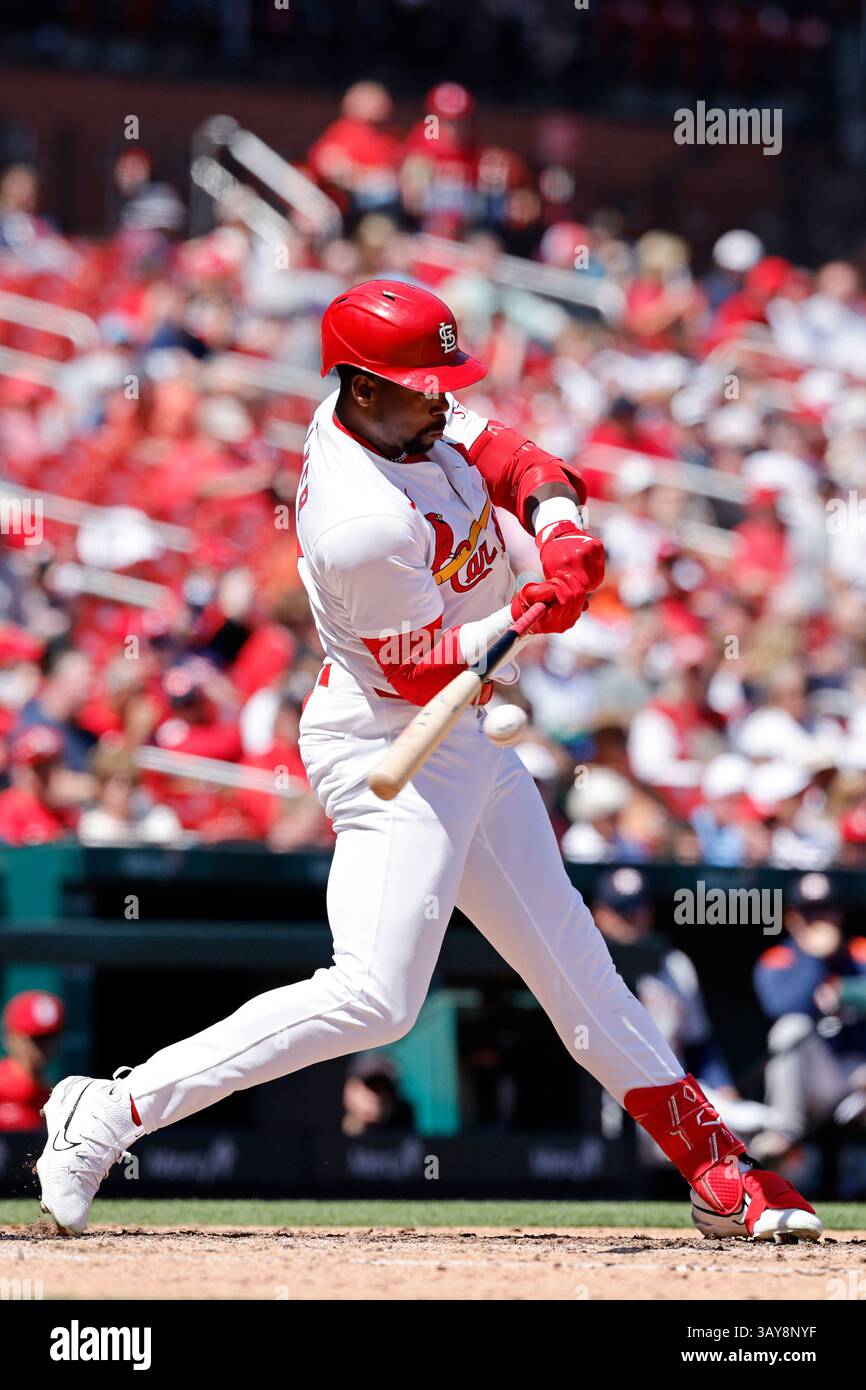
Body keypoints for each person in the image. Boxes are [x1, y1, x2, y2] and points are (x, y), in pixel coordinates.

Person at [36, 279, 821, 1244]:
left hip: (469, 729)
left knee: (577, 970)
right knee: (374, 996)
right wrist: (528, 615)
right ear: (361, 389)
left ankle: (715, 1169)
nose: (445, 397)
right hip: (392, 732)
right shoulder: (357, 518)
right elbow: (419, 673)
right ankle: (109, 1112)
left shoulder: (411, 418)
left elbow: (524, 459)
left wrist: (560, 534)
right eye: (422, 383)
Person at [753, 872, 866, 1153]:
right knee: (790, 1029)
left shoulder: (860, 952)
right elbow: (781, 1006)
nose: (819, 919)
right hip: (820, 1077)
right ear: (792, 917)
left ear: (839, 913)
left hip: (858, 1073)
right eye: (809, 911)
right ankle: (783, 1136)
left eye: (826, 909)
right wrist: (814, 957)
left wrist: (845, 991)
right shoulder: (780, 960)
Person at [0, 991, 65, 1131]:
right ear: (10, 1038)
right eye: (35, 1039)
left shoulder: (57, 1099)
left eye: (50, 1037)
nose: (42, 1047)